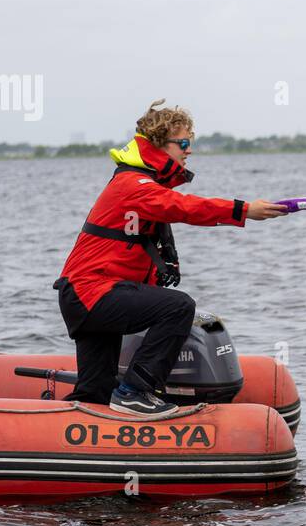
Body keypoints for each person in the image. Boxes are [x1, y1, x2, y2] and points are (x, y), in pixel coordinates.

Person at [54, 99, 286, 417]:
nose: (189, 151)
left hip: (88, 295)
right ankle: (137, 391)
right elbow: (185, 207)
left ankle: (68, 434)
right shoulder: (134, 186)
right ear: (160, 144)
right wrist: (244, 210)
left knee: (94, 393)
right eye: (184, 143)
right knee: (178, 307)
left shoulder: (139, 183)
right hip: (93, 294)